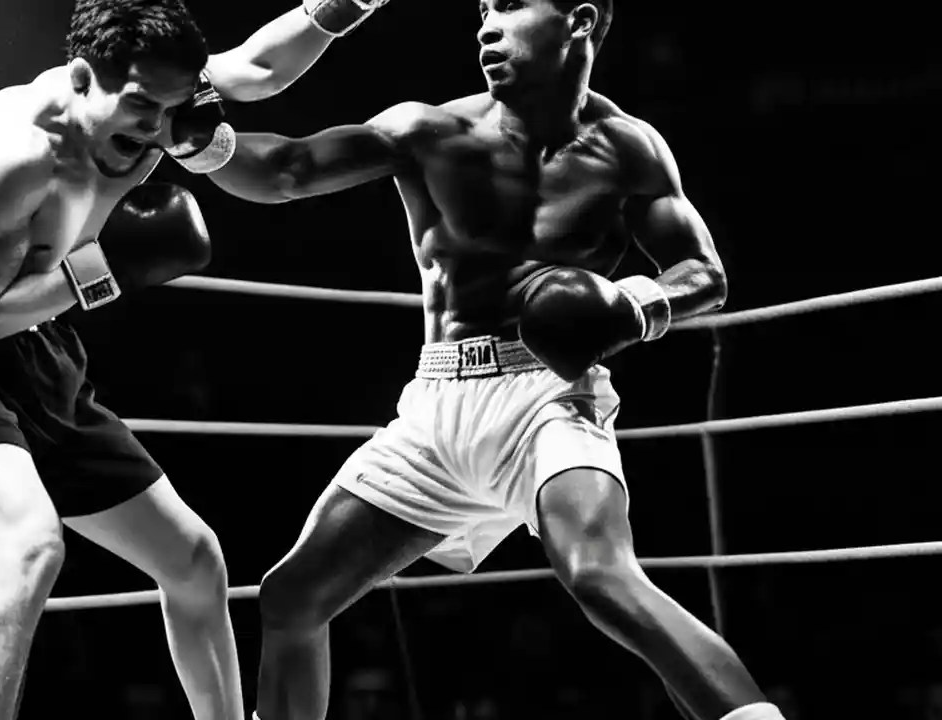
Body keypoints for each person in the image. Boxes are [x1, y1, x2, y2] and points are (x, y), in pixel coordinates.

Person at [206, 2, 786, 720]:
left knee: (600, 576)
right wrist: (197, 140)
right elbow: (285, 170)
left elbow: (704, 273)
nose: (485, 26)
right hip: (436, 406)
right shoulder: (429, 129)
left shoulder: (627, 147)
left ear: (579, 19)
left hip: (549, 399)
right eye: (481, 9)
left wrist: (632, 306)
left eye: (509, 5)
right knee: (292, 596)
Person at [0, 0, 393, 718]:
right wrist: (105, 267)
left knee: (194, 560)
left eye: (172, 106)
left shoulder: (162, 102)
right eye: (142, 105)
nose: (156, 127)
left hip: (39, 338)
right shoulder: (18, 151)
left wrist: (345, 4)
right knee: (30, 548)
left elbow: (259, 68)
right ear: (83, 77)